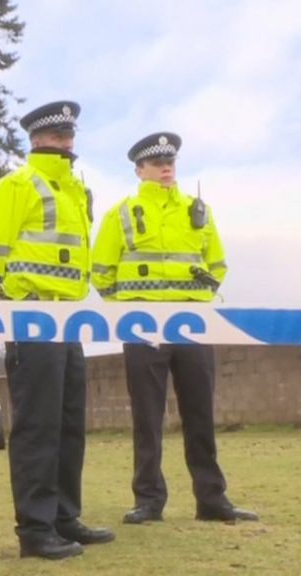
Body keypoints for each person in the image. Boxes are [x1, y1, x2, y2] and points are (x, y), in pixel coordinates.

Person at [91, 132, 258, 525]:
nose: (166, 167)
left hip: (192, 325)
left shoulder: (197, 210)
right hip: (144, 327)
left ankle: (212, 500)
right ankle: (148, 501)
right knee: (147, 418)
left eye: (171, 160)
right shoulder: (121, 213)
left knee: (200, 413)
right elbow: (101, 272)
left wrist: (197, 301)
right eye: (157, 162)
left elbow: (216, 264)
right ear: (139, 169)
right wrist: (130, 312)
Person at [0, 101, 115, 560]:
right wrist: (6, 307)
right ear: (35, 139)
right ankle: (35, 530)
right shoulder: (17, 185)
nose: (65, 142)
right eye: (56, 136)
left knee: (70, 422)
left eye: (69, 134)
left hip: (67, 317)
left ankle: (64, 518)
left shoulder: (75, 191)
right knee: (37, 426)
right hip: (30, 315)